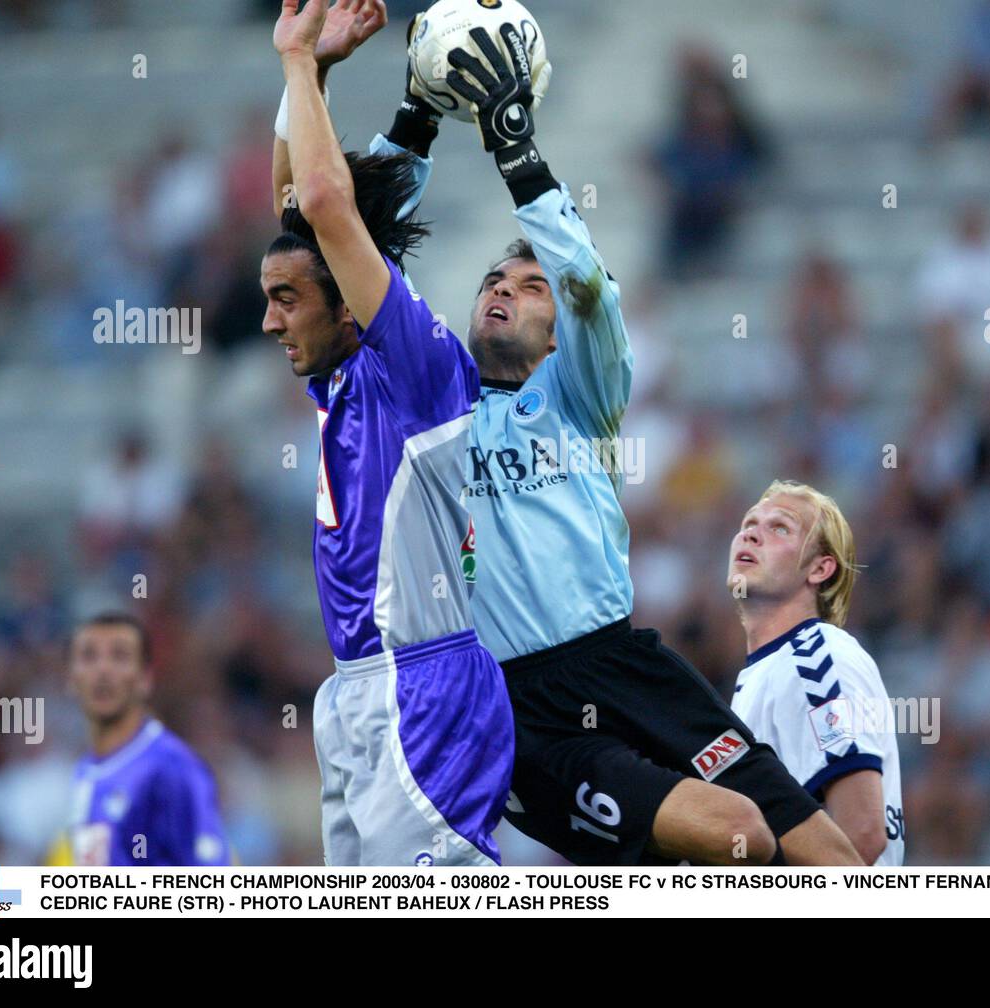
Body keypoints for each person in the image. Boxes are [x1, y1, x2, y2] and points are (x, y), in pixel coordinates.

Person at [364, 22, 858, 866]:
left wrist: (521, 159)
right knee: (734, 836)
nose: (503, 292)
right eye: (493, 281)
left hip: (631, 667)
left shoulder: (577, 397)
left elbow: (588, 287)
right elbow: (357, 251)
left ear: (558, 339)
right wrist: (415, 120)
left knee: (830, 857)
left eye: (528, 287)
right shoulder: (431, 408)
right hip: (522, 708)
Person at [264, 0, 512, 866]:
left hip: (426, 685)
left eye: (286, 302)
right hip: (357, 693)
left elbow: (326, 209)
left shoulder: (413, 363)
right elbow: (302, 214)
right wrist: (317, 75)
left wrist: (297, 60)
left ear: (346, 302)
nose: (270, 320)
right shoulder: (341, 371)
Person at [728, 482, 905, 865]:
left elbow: (860, 834)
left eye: (780, 528)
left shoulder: (816, 657)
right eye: (749, 523)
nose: (752, 532)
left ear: (820, 568)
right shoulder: (762, 675)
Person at [66, 613, 230, 866]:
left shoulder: (173, 769)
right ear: (71, 678)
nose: (103, 670)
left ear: (145, 678)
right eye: (89, 656)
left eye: (119, 656)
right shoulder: (85, 770)